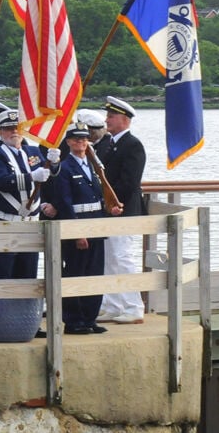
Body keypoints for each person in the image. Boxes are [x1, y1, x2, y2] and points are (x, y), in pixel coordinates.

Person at [0, 110, 56, 340]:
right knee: (2, 275)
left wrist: (55, 163)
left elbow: (50, 175)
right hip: (3, 222)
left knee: (28, 275)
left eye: (18, 128)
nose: (14, 132)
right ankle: (1, 324)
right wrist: (34, 176)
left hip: (28, 224)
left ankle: (29, 322)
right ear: (1, 132)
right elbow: (2, 181)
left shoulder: (32, 151)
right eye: (9, 129)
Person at [42, 121, 111, 335]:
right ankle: (73, 320)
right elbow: (64, 201)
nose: (81, 142)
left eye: (84, 139)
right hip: (77, 227)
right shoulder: (65, 167)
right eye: (76, 139)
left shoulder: (93, 165)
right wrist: (77, 232)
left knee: (94, 274)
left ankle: (90, 318)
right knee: (75, 273)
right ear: (69, 142)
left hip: (96, 226)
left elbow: (99, 196)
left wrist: (110, 211)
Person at [97, 96, 146, 325]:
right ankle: (113, 305)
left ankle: (134, 306)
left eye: (112, 116)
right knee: (109, 258)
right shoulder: (110, 144)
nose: (107, 119)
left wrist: (113, 202)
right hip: (109, 209)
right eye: (107, 116)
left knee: (122, 257)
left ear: (125, 120)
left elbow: (129, 182)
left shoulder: (132, 145)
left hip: (123, 209)